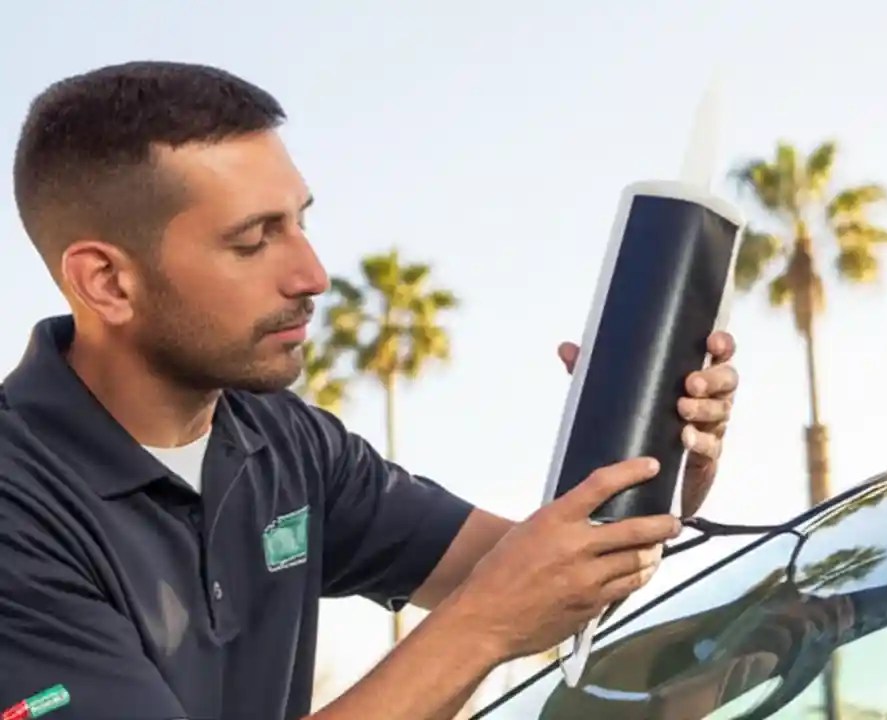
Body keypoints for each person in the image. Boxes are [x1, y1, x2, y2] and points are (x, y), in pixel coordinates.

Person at [0, 61, 741, 720]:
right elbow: (499, 604)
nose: (311, 275)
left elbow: (544, 580)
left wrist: (660, 466)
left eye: (299, 222)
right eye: (253, 240)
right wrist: (483, 625)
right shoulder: (15, 509)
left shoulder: (284, 443)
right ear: (107, 281)